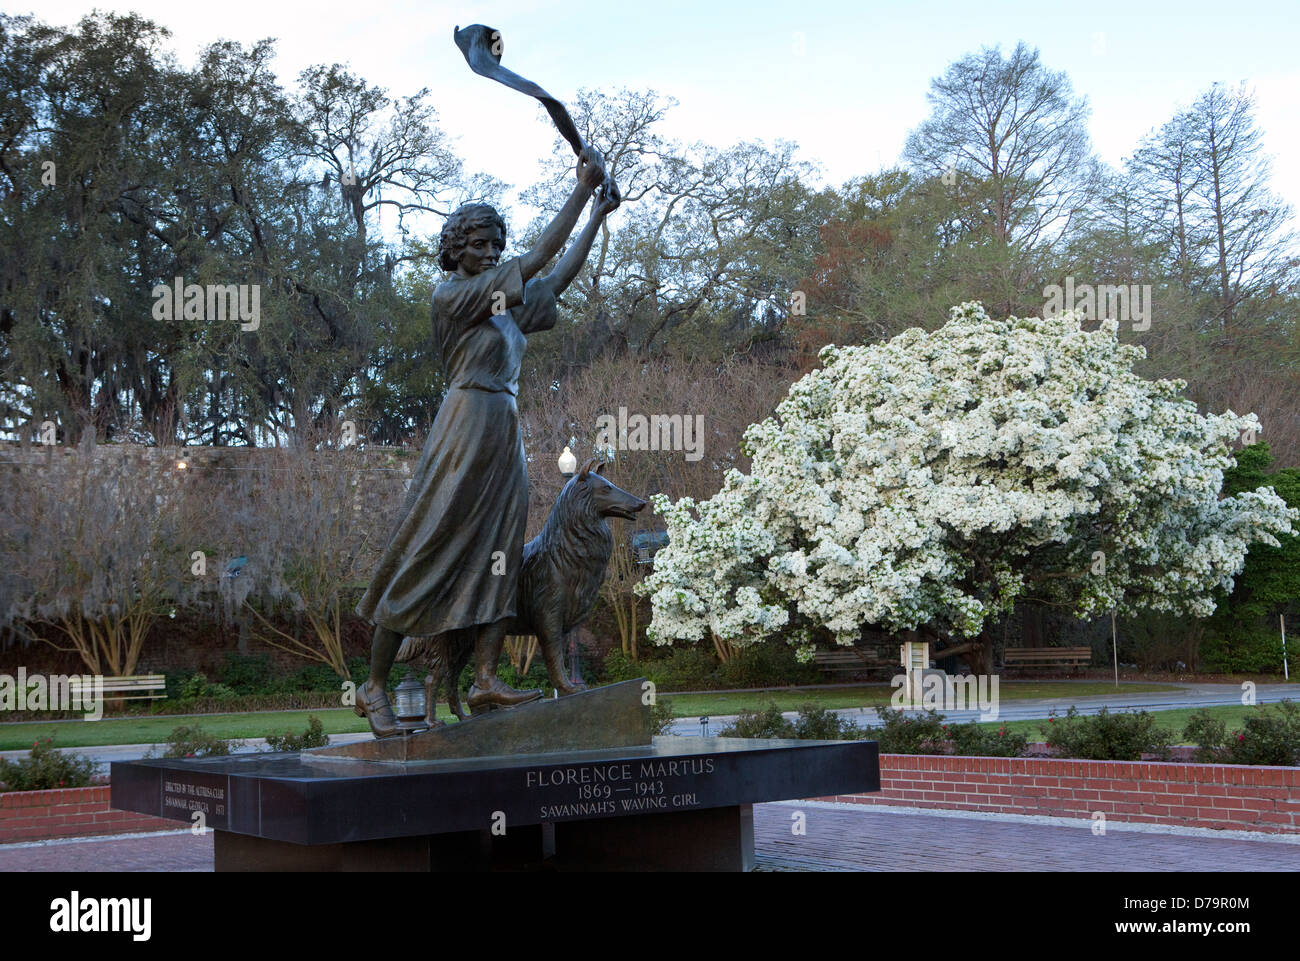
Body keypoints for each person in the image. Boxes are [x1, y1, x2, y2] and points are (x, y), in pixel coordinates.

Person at [354, 146, 620, 737]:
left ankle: (485, 679)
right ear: (455, 248)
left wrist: (598, 214)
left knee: (501, 555)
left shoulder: (502, 311)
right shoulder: (453, 297)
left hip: (505, 434)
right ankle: (373, 687)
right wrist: (580, 190)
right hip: (465, 427)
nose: (492, 254)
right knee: (426, 550)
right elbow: (532, 263)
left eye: (496, 245)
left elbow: (550, 281)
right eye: (480, 245)